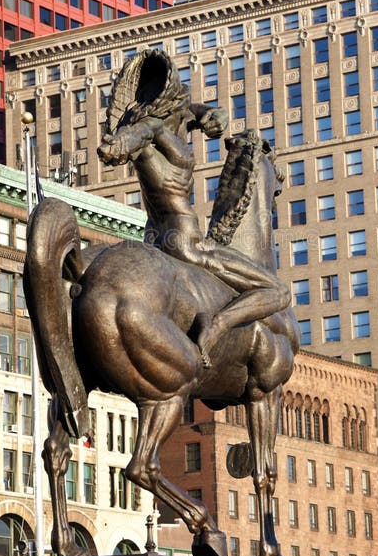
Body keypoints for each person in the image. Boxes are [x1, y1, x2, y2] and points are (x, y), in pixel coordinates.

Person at [98, 49, 290, 367]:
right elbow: (148, 129)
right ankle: (216, 324)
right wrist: (121, 143)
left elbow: (187, 114)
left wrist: (209, 113)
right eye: (177, 95)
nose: (183, 102)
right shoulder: (158, 132)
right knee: (278, 291)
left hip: (154, 239)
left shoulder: (159, 137)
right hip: (187, 243)